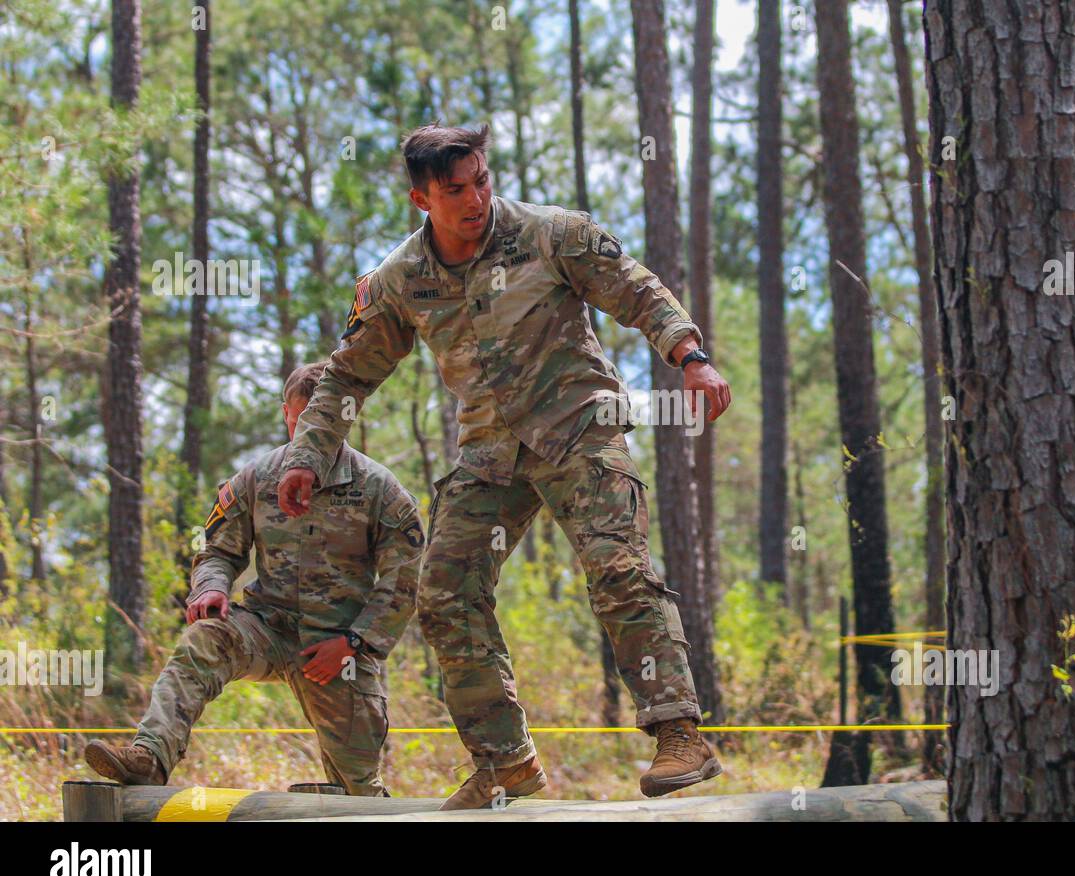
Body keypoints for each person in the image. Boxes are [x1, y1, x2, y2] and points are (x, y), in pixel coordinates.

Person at [277, 123, 733, 809]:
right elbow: (346, 377)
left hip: (580, 427)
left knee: (617, 570)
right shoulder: (400, 280)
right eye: (456, 189)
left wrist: (690, 358)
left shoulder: (553, 233)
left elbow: (636, 289)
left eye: (482, 179)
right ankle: (505, 763)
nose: (475, 199)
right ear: (421, 199)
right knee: (444, 593)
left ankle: (679, 735)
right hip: (490, 450)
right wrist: (308, 455)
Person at [85, 362, 423, 796]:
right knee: (205, 639)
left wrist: (356, 642)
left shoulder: (379, 489)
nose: (309, 435)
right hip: (267, 628)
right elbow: (217, 551)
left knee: (358, 789)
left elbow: (403, 581)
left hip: (337, 645)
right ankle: (149, 757)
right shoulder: (257, 478)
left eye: (323, 423)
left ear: (345, 420)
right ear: (286, 414)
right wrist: (210, 586)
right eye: (301, 421)